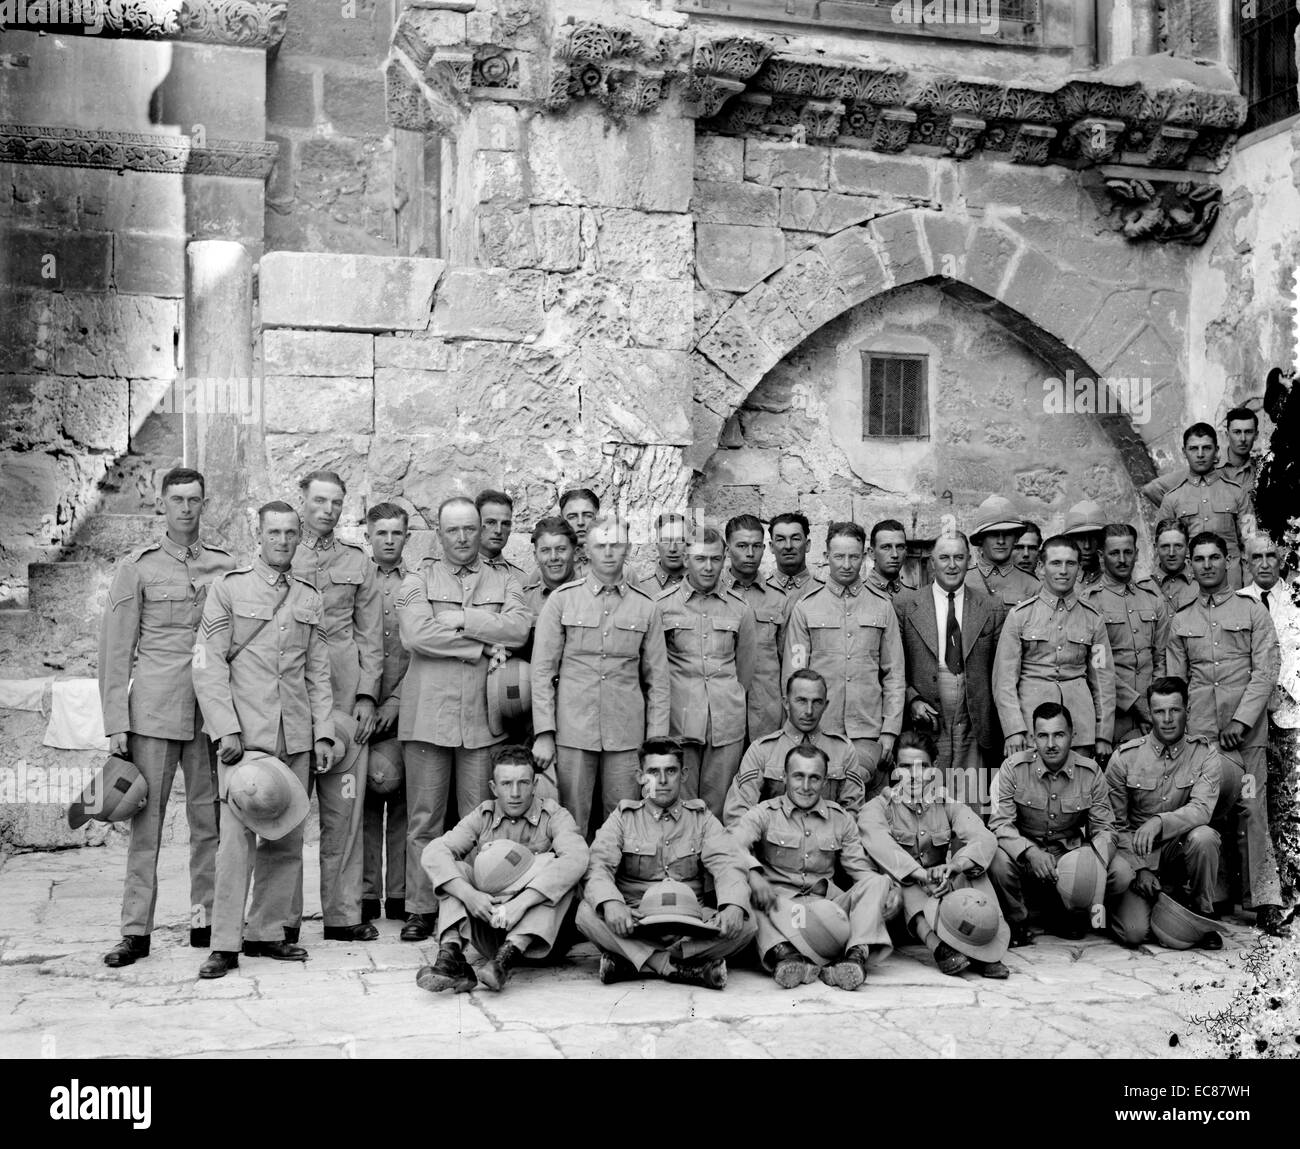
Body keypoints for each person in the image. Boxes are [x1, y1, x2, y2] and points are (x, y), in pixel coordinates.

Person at [97, 467, 235, 967]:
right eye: (176, 499)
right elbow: (115, 651)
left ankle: (204, 921)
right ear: (162, 503)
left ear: (204, 503)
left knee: (209, 825)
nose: (185, 508)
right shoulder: (137, 567)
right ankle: (135, 932)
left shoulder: (225, 566)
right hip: (153, 713)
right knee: (145, 827)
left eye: (194, 499)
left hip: (206, 714)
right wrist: (116, 723)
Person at [192, 501, 335, 977]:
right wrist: (224, 729)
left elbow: (317, 674)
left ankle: (268, 933)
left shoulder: (309, 597)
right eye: (273, 532)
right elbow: (208, 666)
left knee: (287, 838)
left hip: (294, 735)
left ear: (299, 537)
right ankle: (225, 943)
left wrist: (323, 734)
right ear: (259, 535)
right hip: (245, 740)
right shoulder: (227, 590)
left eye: (290, 533)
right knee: (235, 842)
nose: (282, 541)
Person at [395, 496, 530, 941]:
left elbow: (517, 629)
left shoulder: (506, 581)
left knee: (477, 821)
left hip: (480, 719)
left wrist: (461, 618)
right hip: (428, 717)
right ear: (438, 533)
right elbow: (417, 635)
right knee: (425, 820)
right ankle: (420, 907)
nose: (462, 538)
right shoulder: (417, 579)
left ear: (478, 530)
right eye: (452, 530)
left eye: (469, 529)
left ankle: (472, 905)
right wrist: (480, 645)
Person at [1167, 531, 1288, 936]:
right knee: (1208, 810)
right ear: (1190, 565)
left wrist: (1242, 720)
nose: (1206, 565)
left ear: (1228, 561)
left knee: (1252, 810)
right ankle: (1213, 896)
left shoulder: (1252, 612)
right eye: (1198, 559)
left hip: (1246, 737)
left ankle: (1266, 900)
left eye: (1214, 558)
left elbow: (1266, 669)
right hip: (1203, 739)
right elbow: (1175, 683)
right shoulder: (1181, 619)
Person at [286, 469, 382, 944]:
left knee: (344, 810)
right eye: (319, 500)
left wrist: (366, 695)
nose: (327, 510)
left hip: (345, 700)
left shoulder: (357, 563)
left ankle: (343, 916)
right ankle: (282, 917)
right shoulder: (283, 551)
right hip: (293, 700)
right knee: (287, 810)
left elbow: (370, 636)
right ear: (302, 500)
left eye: (336, 503)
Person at [578, 738, 755, 988]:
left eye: (670, 771)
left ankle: (636, 961)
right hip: (637, 917)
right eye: (653, 772)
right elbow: (598, 865)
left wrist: (733, 905)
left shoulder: (701, 818)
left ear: (682, 775)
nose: (662, 780)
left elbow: (728, 864)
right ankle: (677, 967)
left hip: (691, 920)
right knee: (586, 913)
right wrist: (612, 903)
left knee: (748, 922)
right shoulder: (623, 817)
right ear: (640, 776)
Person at [531, 514, 670, 832]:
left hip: (626, 736)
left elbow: (658, 681)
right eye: (601, 545)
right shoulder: (562, 601)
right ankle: (574, 883)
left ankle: (616, 884)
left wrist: (655, 743)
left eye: (616, 545)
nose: (609, 552)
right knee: (570, 821)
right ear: (586, 551)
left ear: (629, 549)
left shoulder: (646, 607)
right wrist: (544, 734)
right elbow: (542, 672)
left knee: (623, 821)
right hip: (573, 732)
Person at [417, 747, 588, 993]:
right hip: (492, 929)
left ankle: (505, 960)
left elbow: (577, 857)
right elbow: (434, 852)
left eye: (523, 783)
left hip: (541, 940)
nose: (515, 793)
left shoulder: (554, 815)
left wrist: (523, 902)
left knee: (559, 869)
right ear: (494, 787)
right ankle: (451, 956)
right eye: (506, 784)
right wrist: (470, 895)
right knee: (455, 870)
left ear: (535, 784)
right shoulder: (483, 815)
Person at [730, 744, 896, 990]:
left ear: (825, 781)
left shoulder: (841, 819)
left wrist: (887, 891)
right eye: (798, 776)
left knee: (879, 882)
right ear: (785, 777)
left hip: (827, 909)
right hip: (781, 908)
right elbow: (731, 846)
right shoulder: (763, 814)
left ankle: (854, 957)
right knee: (746, 892)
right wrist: (754, 874)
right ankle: (784, 956)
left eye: (814, 778)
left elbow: (861, 871)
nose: (806, 786)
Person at [858, 731, 1010, 978]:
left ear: (933, 769)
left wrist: (956, 867)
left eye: (922, 767)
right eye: (906, 767)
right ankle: (940, 949)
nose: (914, 775)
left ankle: (986, 946)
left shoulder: (946, 803)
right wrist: (921, 875)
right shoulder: (879, 807)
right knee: (899, 881)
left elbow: (984, 837)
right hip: (900, 913)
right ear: (896, 769)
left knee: (975, 871)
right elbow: (880, 844)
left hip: (940, 897)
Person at [784, 521, 904, 799]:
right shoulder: (806, 607)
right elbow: (794, 675)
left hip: (868, 732)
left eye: (854, 556)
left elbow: (894, 674)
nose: (847, 564)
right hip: (819, 729)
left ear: (864, 557)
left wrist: (890, 730)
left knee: (867, 807)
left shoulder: (882, 606)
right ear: (826, 558)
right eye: (839, 556)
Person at [988, 703, 1124, 945]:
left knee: (1120, 873)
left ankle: (1077, 913)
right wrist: (1030, 852)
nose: (1051, 744)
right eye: (1043, 736)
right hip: (1027, 858)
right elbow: (1000, 825)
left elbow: (1106, 830)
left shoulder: (1090, 772)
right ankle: (1018, 921)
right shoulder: (1013, 769)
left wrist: (1088, 861)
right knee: (998, 859)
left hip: (1067, 857)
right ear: (1033, 738)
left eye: (1059, 734)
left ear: (1072, 735)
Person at [1105, 678, 1223, 946]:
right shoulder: (1124, 757)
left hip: (1176, 850)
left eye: (1175, 710)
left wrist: (1160, 822)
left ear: (1187, 711)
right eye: (1159, 711)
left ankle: (1201, 913)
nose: (1167, 719)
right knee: (1134, 934)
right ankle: (1153, 902)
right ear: (1151, 713)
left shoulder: (1204, 753)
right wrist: (1140, 868)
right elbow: (1113, 826)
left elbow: (1201, 809)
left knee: (1204, 836)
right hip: (1135, 852)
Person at [893, 530, 1004, 814]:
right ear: (931, 563)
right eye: (944, 557)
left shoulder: (991, 607)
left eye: (958, 557)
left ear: (969, 560)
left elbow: (1000, 668)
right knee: (927, 802)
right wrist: (912, 699)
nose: (952, 564)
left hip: (973, 721)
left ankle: (968, 854)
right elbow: (895, 666)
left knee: (970, 804)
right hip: (928, 721)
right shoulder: (906, 606)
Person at [658, 526, 757, 818]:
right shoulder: (661, 607)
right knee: (678, 805)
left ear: (724, 558)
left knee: (720, 808)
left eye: (715, 558)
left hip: (725, 722)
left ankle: (715, 862)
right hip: (680, 720)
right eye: (701, 558)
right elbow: (655, 669)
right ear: (687, 558)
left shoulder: (740, 609)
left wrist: (730, 700)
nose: (709, 566)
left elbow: (745, 671)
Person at [993, 535, 1115, 761]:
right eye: (1056, 563)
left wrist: (1103, 734)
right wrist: (1013, 730)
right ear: (1041, 567)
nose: (1063, 570)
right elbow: (1004, 679)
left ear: (1079, 570)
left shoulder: (1093, 619)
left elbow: (1103, 680)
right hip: (1031, 727)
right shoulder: (1020, 617)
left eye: (1070, 564)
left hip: (1080, 729)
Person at [1238, 535, 1300, 903]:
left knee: (1290, 806)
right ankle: (1260, 894)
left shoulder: (1296, 602)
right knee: (1254, 806)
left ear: (1282, 560)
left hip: (1290, 714)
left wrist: (1285, 689)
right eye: (1256, 557)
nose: (1264, 563)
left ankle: (1292, 891)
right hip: (1251, 718)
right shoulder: (1239, 603)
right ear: (1246, 562)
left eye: (1270, 556)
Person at [723, 668, 866, 823]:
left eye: (817, 702)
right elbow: (737, 812)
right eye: (801, 701)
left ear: (826, 705)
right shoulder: (762, 750)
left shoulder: (843, 750)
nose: (809, 711)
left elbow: (854, 812)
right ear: (786, 703)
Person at [361, 502, 411, 924]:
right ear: (369, 536)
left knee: (400, 801)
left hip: (403, 707)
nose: (389, 541)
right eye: (382, 534)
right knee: (359, 801)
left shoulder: (418, 584)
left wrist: (394, 703)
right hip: (360, 708)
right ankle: (363, 894)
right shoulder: (357, 580)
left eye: (397, 534)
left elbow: (420, 652)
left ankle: (398, 894)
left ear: (406, 538)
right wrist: (364, 702)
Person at [1080, 524, 1170, 744]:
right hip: (1113, 716)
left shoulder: (1152, 599)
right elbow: (1097, 666)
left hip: (1153, 714)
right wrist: (1136, 703)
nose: (1122, 559)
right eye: (1114, 553)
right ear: (1102, 556)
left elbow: (1161, 657)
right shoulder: (1090, 602)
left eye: (1128, 552)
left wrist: (1154, 703)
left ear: (1136, 554)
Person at [1157, 422, 1256, 590]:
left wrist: (1249, 588)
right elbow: (1162, 552)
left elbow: (1250, 543)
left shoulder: (1237, 493)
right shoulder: (1172, 499)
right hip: (1189, 588)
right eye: (1194, 449)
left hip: (1231, 586)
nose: (1200, 454)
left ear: (1217, 451)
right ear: (1184, 452)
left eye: (1207, 448)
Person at [724, 513, 787, 741]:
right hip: (724, 712)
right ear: (727, 548)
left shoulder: (779, 599)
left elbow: (788, 661)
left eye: (756, 546)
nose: (750, 554)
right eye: (742, 546)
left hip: (767, 712)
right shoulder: (715, 595)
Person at [515, 515, 577, 664]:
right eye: (545, 550)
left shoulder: (593, 598)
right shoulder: (523, 601)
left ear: (574, 552)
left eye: (561, 549)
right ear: (535, 557)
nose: (554, 557)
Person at [968, 495, 1039, 608]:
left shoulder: (1032, 586)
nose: (1001, 541)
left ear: (1016, 538)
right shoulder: (963, 580)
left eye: (1007, 534)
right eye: (994, 534)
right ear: (981, 538)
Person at [765, 512, 823, 606]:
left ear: (807, 545)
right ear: (771, 547)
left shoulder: (823, 590)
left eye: (795, 539)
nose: (788, 546)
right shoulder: (760, 591)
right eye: (780, 540)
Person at [636, 511, 687, 597]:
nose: (672, 548)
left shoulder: (702, 586)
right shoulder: (640, 589)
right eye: (665, 541)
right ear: (657, 544)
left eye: (680, 540)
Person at [476, 489, 524, 577]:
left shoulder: (521, 580)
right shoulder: (449, 575)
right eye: (491, 522)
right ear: (476, 524)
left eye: (505, 524)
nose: (498, 530)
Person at [1154, 518, 1198, 613]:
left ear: (1187, 548)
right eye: (1165, 546)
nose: (1171, 553)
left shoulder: (1201, 585)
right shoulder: (1144, 588)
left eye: (1178, 546)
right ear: (1156, 548)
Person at [865, 519, 917, 597]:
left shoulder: (916, 597)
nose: (895, 555)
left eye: (900, 547)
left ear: (905, 552)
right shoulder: (856, 596)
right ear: (872, 553)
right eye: (886, 547)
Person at [1061, 499, 1106, 588]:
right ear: (1070, 541)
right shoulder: (1059, 582)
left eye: (1093, 537)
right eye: (1080, 538)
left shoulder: (1116, 580)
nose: (1087, 546)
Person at [1218, 406, 1261, 495]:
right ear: (1227, 434)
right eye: (1237, 432)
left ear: (1256, 435)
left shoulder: (1261, 469)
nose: (1243, 439)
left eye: (1248, 432)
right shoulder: (1210, 468)